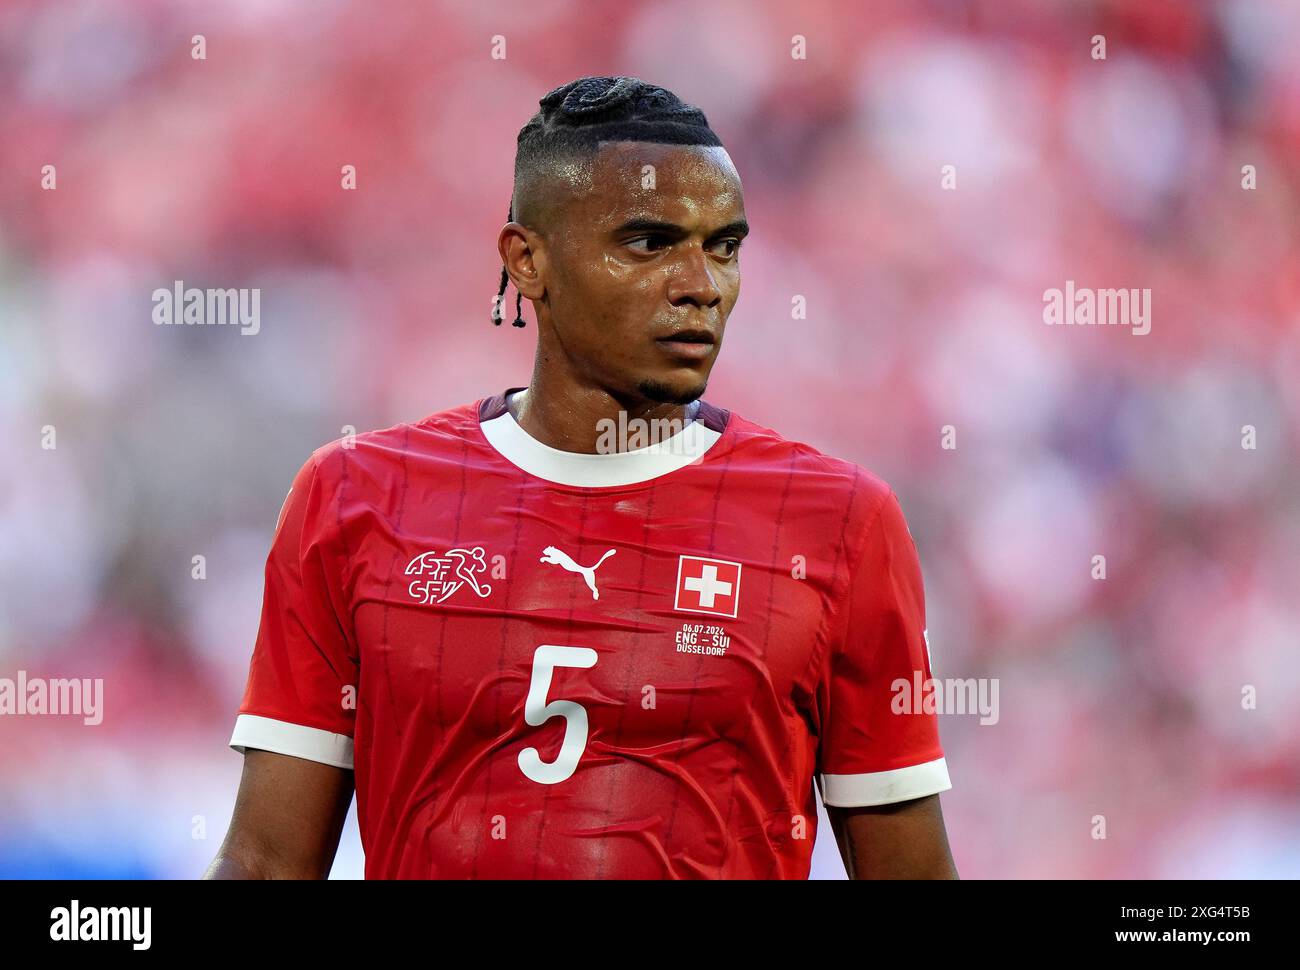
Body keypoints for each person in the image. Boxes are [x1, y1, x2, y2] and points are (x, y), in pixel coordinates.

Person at [205, 75, 957, 879]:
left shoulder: (839, 522)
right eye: (649, 243)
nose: (701, 286)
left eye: (724, 247)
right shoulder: (355, 497)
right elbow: (267, 864)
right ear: (527, 261)